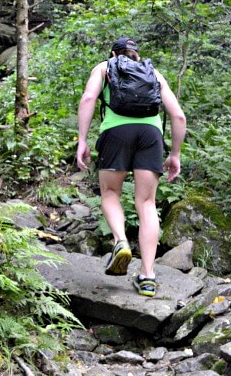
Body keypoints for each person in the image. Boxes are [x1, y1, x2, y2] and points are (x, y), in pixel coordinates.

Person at [76, 37, 186, 298]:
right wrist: (175, 154)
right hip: (151, 136)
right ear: (137, 54)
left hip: (116, 134)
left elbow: (88, 98)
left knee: (110, 193)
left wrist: (82, 140)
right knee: (146, 203)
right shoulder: (153, 73)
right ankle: (147, 277)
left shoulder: (104, 67)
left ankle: (121, 242)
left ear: (113, 53)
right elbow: (178, 115)